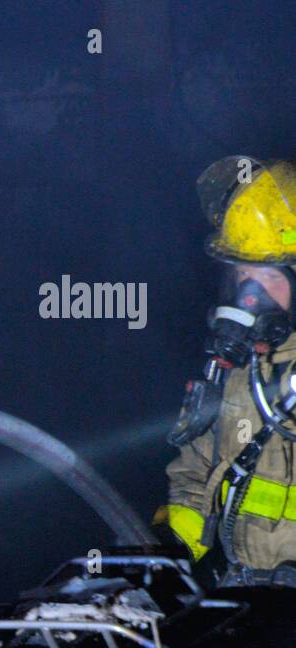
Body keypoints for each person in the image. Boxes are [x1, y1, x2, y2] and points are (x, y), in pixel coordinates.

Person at [166, 157, 296, 585]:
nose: (249, 294)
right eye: (242, 274)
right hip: (248, 596)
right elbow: (196, 475)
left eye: (266, 276)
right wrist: (168, 553)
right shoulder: (238, 373)